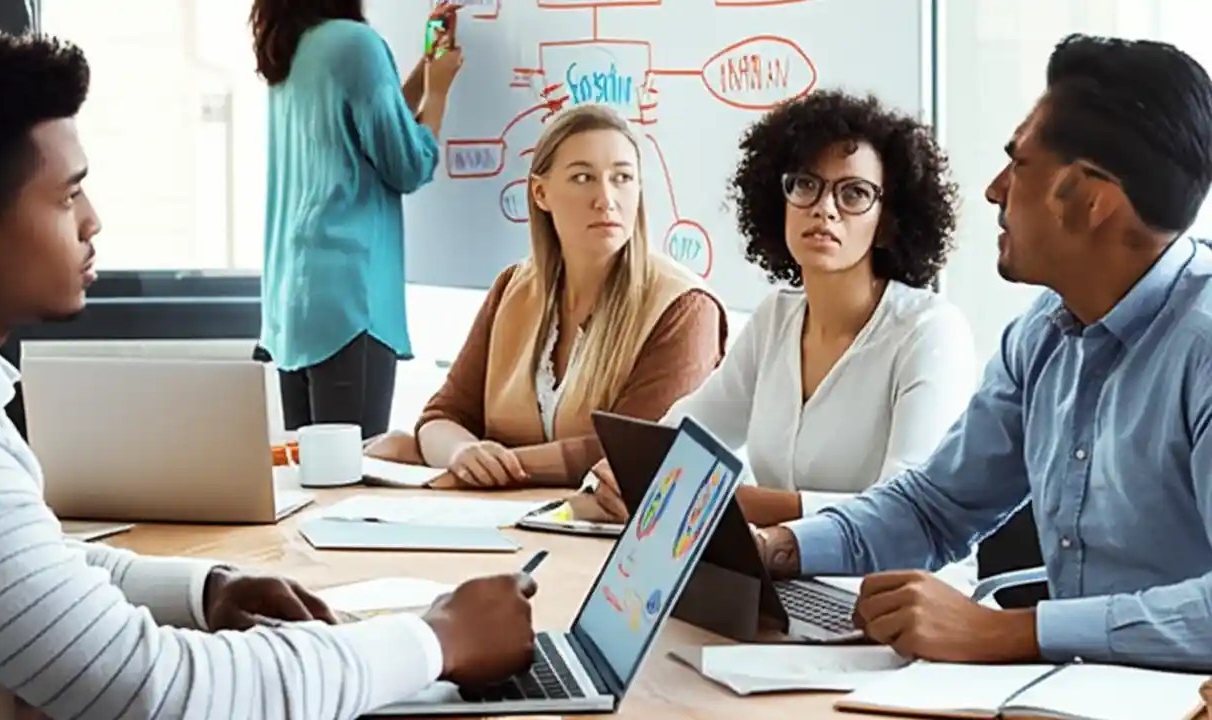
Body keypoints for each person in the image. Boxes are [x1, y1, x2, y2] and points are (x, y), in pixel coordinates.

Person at [0, 27, 535, 719]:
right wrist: (438, 639)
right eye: (69, 197)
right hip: (355, 307)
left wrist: (207, 588)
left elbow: (34, 571)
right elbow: (163, 691)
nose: (93, 222)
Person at [755, 34, 1212, 671]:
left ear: (1088, 199)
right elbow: (934, 507)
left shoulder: (1203, 345)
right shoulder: (1043, 335)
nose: (995, 191)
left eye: (1019, 165)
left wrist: (1009, 633)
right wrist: (777, 549)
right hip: (1070, 693)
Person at [573, 90, 974, 529]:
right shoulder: (776, 319)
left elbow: (901, 509)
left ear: (888, 221)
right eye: (805, 184)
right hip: (781, 572)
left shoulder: (931, 331)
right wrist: (624, 475)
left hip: (892, 587)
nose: (824, 209)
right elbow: (683, 435)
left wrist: (717, 503)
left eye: (854, 193)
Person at [368, 104, 727, 488]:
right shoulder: (513, 288)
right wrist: (459, 453)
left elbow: (637, 451)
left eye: (622, 177)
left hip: (605, 536)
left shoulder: (684, 306)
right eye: (582, 177)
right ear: (541, 193)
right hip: (501, 522)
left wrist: (491, 464)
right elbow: (444, 415)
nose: (605, 198)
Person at [252, 0, 463, 437]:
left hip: (293, 303)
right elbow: (407, 163)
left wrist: (427, 67)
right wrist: (439, 91)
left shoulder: (290, 49)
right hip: (350, 301)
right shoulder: (356, 44)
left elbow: (375, 129)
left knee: (314, 483)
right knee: (354, 481)